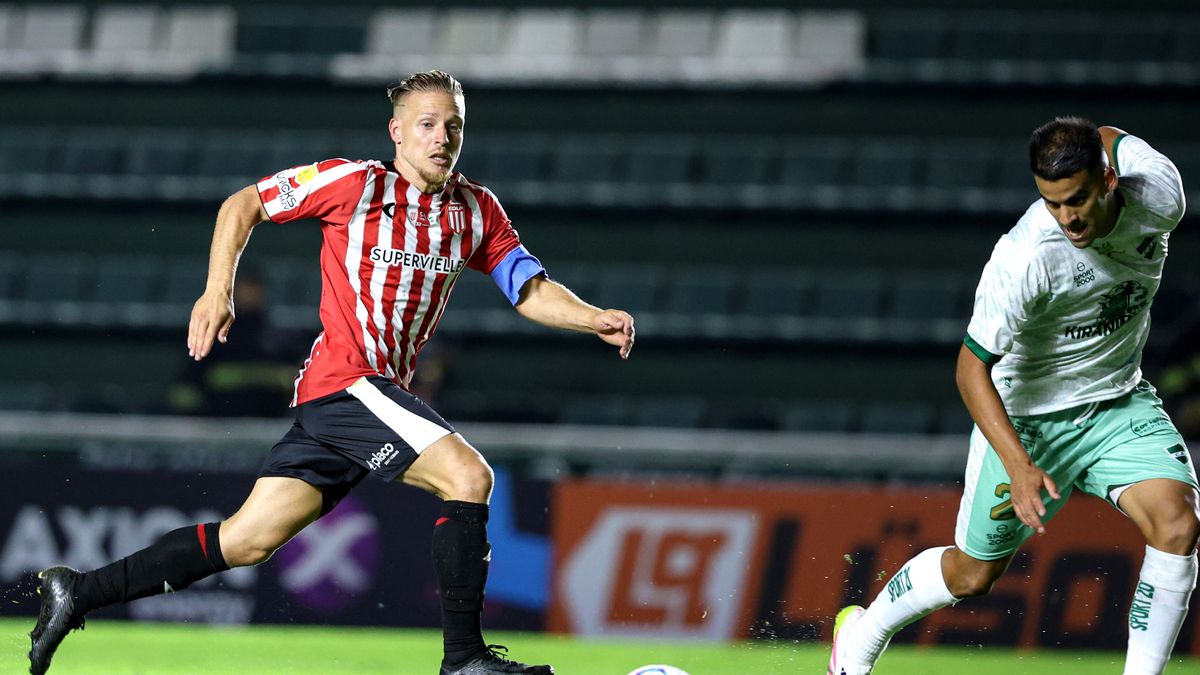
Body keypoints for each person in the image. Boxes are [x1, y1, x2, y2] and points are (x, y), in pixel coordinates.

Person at [28, 70, 635, 675]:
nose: (441, 137)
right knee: (468, 476)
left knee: (246, 540)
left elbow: (527, 289)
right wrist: (218, 291)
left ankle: (78, 592)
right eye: (427, 124)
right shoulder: (354, 183)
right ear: (397, 131)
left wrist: (593, 318)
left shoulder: (476, 210)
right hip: (347, 383)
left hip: (364, 399)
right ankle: (464, 661)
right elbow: (243, 205)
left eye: (453, 126)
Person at [829, 117, 1196, 675]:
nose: (1068, 219)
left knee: (1178, 524)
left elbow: (1104, 132)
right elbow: (970, 369)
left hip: (1117, 403)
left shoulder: (1160, 195)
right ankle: (861, 635)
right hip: (1028, 419)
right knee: (973, 575)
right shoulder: (1026, 256)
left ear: (1108, 180)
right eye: (1053, 203)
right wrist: (1020, 466)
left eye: (1077, 200)